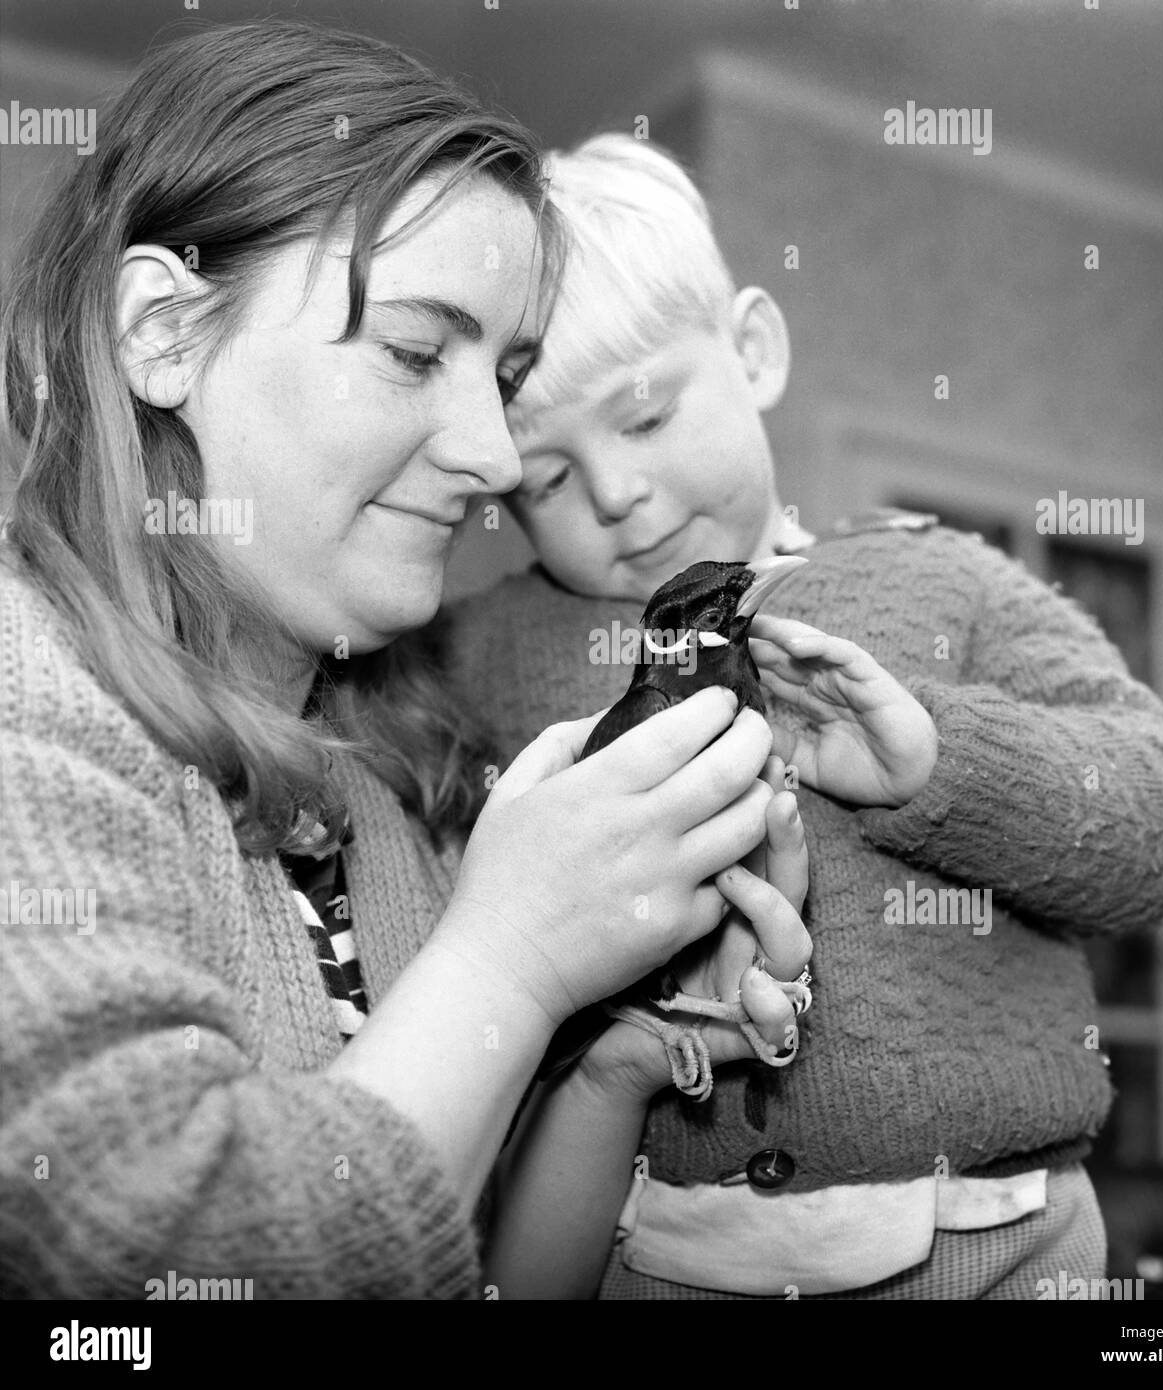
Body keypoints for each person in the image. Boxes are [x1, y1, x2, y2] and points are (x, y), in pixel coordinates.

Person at [0, 26, 812, 1300]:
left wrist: (617, 1048)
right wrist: (510, 956)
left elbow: (474, 1271)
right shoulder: (21, 699)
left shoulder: (378, 796)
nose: (495, 455)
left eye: (504, 375)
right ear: (160, 333)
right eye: (415, 352)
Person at [437, 134, 1163, 1299]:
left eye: (645, 417)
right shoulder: (481, 652)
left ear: (751, 350)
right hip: (648, 1251)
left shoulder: (949, 584)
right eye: (542, 481)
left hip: (998, 1235)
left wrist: (939, 768)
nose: (613, 494)